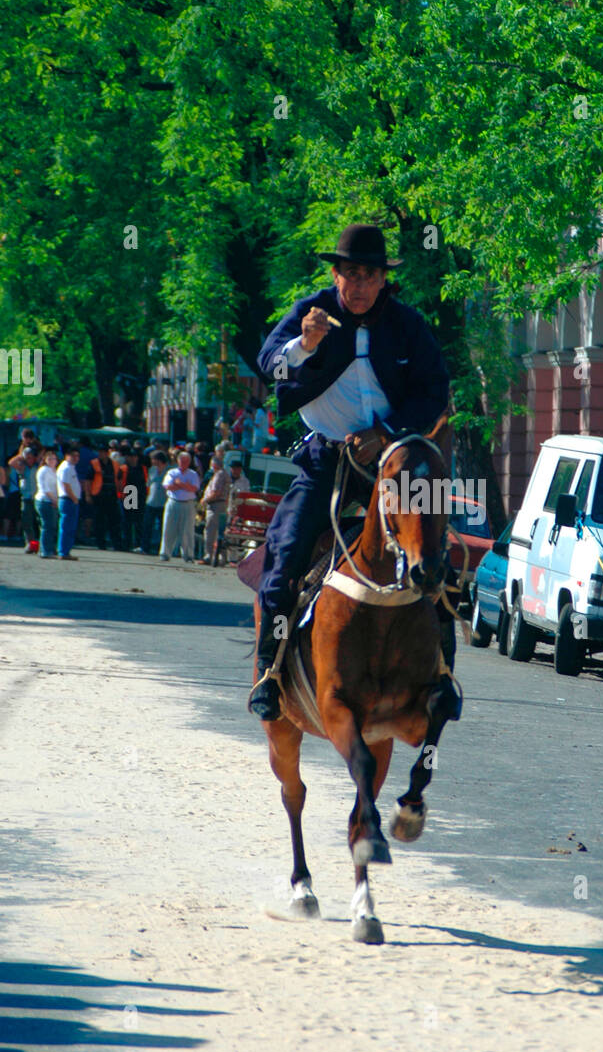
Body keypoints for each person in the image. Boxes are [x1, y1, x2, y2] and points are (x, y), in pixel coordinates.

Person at [247, 222, 450, 719]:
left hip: (395, 460)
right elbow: (268, 363)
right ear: (335, 276)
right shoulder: (310, 313)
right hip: (326, 459)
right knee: (285, 556)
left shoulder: (407, 325)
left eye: (369, 276)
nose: (359, 286)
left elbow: (435, 391)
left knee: (439, 554)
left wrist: (388, 431)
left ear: (384, 279)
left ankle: (442, 675)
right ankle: (270, 672)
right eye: (350, 274)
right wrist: (305, 346)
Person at [159, 451, 200, 561]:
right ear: (178, 461)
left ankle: (188, 555)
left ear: (189, 462)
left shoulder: (193, 474)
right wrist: (185, 485)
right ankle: (165, 553)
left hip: (188, 503)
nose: (184, 463)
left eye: (186, 461)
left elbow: (194, 488)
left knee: (187, 530)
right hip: (173, 502)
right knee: (168, 528)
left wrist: (179, 484)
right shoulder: (172, 472)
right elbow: (168, 486)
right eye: (182, 461)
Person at [91, 445, 124, 550]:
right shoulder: (94, 464)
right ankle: (101, 544)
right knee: (100, 522)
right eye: (99, 452)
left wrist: (121, 494)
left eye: (103, 452)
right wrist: (88, 495)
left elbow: (119, 480)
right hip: (99, 497)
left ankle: (116, 544)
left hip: (112, 497)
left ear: (107, 453)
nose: (101, 454)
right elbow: (88, 480)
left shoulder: (114, 464)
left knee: (114, 521)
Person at [201, 450, 230, 565]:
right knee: (221, 533)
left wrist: (204, 500)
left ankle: (208, 556)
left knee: (210, 532)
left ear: (214, 465)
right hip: (222, 505)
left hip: (215, 506)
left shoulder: (219, 475)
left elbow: (216, 492)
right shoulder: (224, 474)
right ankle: (222, 558)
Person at [9, 445, 39, 547]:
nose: (28, 459)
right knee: (27, 522)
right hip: (26, 497)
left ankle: (42, 544)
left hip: (37, 498)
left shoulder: (38, 466)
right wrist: (20, 455)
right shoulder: (22, 467)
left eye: (30, 457)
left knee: (39, 522)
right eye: (27, 457)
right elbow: (11, 463)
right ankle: (30, 544)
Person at [140, 451, 168, 553]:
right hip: (151, 501)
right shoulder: (152, 470)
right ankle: (144, 547)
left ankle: (161, 548)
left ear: (159, 460)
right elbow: (148, 484)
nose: (151, 461)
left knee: (163, 527)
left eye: (153, 459)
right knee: (147, 525)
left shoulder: (169, 470)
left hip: (163, 503)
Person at [57, 445, 82, 559]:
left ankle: (66, 550)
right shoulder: (66, 467)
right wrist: (74, 498)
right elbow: (65, 485)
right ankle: (63, 551)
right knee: (66, 527)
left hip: (71, 500)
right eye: (73, 455)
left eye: (77, 455)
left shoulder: (71, 467)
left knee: (70, 527)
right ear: (67, 456)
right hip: (68, 500)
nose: (76, 458)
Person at [35, 448, 59, 557]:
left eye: (54, 458)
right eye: (49, 458)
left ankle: (50, 548)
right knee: (47, 526)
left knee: (52, 526)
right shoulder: (43, 470)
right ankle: (45, 550)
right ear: (45, 459)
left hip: (53, 501)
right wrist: (54, 500)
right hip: (44, 500)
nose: (52, 461)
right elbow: (45, 488)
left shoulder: (54, 471)